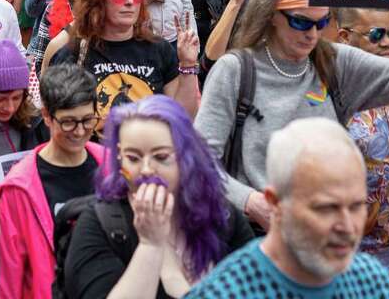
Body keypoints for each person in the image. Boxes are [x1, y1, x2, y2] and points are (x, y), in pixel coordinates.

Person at [195, 0, 389, 231]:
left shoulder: (333, 61)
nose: (312, 34)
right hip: (257, 235)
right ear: (271, 16)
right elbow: (199, 161)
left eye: (321, 22)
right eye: (301, 22)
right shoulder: (235, 70)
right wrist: (251, 201)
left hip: (324, 233)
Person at [62, 95, 255, 298]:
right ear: (119, 157)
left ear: (187, 156)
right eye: (133, 158)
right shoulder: (98, 224)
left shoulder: (222, 217)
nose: (146, 169)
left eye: (161, 157)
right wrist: (150, 245)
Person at [185, 117, 389, 298]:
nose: (348, 226)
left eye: (356, 206)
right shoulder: (222, 293)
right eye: (326, 208)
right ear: (275, 203)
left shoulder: (373, 283)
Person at [0, 63, 105, 299]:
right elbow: (8, 279)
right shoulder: (18, 189)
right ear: (46, 116)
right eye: (68, 122)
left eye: (87, 120)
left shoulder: (111, 166)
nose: (79, 131)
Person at [49, 0, 201, 120]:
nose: (130, 2)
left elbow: (183, 118)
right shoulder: (74, 53)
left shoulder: (160, 49)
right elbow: (58, 120)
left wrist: (188, 65)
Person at [336, 7, 389, 290]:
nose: (387, 43)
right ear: (344, 37)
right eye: (376, 35)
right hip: (354, 267)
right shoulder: (330, 94)